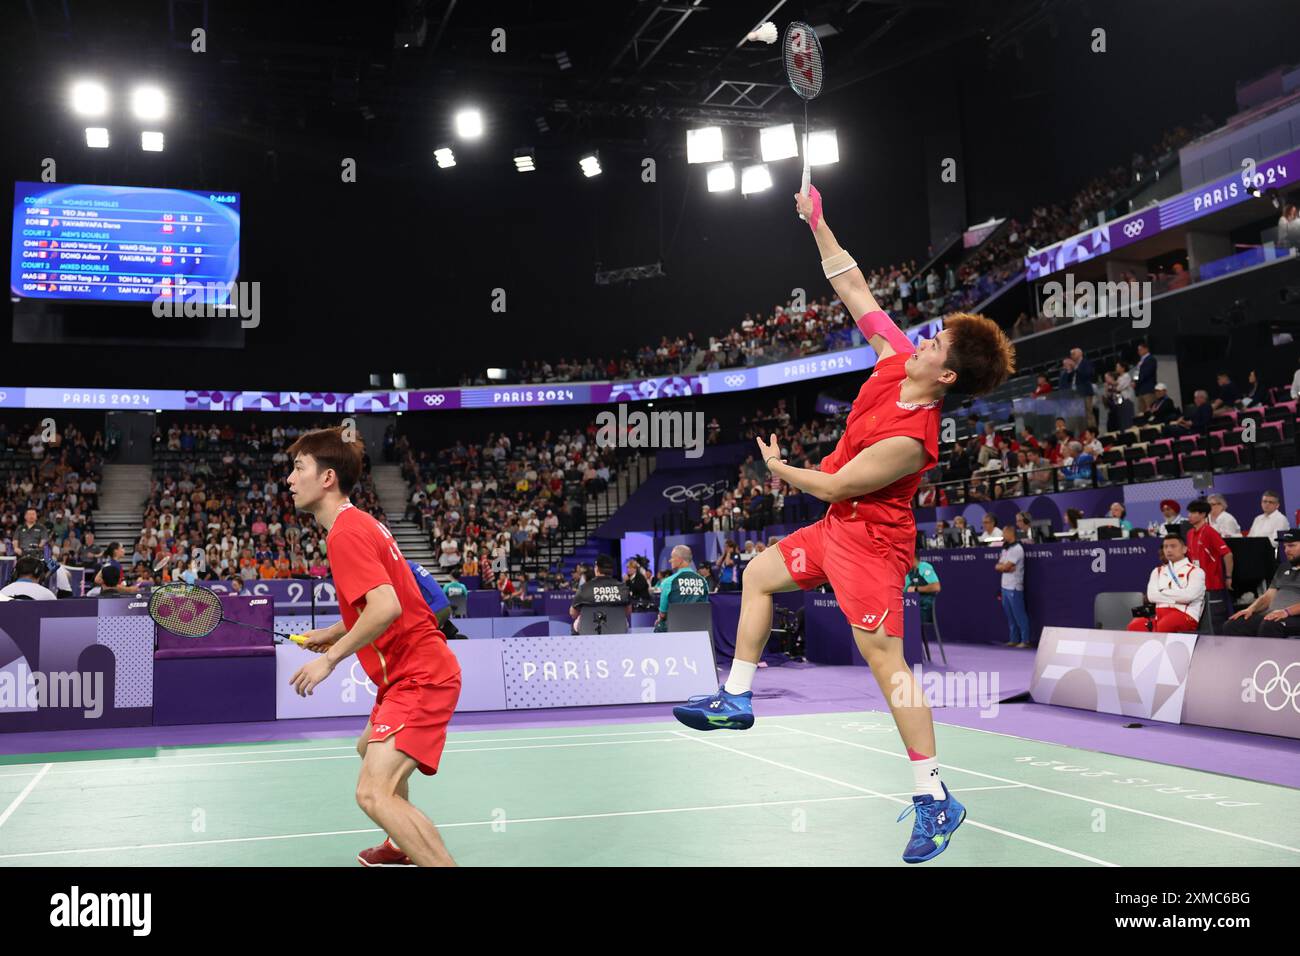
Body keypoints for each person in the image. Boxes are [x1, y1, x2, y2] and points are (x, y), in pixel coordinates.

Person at [674, 185, 1016, 864]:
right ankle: (736, 699)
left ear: (944, 375)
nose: (921, 339)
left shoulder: (914, 440)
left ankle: (933, 797)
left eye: (934, 342)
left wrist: (781, 469)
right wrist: (819, 223)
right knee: (756, 575)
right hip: (837, 528)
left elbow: (833, 483)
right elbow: (856, 289)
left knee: (888, 667)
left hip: (872, 546)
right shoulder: (894, 363)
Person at [285, 426, 462, 868]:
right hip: (406, 673)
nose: (290, 478)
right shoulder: (361, 523)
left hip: (419, 674)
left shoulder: (344, 534)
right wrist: (335, 630)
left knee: (371, 792)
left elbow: (385, 607)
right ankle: (399, 846)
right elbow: (389, 599)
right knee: (368, 748)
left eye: (298, 467)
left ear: (327, 478)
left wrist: (330, 659)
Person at [1223, 529, 1300, 637]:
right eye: (1285, 546)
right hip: (1273, 615)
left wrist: (1286, 612)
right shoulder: (1283, 567)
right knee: (1233, 624)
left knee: (1269, 625)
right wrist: (1250, 609)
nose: (1287, 550)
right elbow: (1268, 597)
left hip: (1293, 616)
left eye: (1291, 546)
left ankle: (1270, 655)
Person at [1129, 535, 1205, 633]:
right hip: (1159, 615)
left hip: (1185, 615)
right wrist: (1178, 595)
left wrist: (1162, 592)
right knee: (1135, 625)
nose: (1168, 550)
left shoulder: (1196, 571)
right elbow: (1151, 597)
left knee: (1164, 625)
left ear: (1184, 549)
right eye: (1165, 547)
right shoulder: (1157, 571)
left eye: (1173, 546)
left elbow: (1189, 596)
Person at [1186, 498, 1233, 630]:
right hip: (1197, 586)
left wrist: (1228, 577)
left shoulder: (1210, 532)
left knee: (1214, 622)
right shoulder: (1190, 534)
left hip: (1212, 585)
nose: (1189, 515)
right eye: (1189, 512)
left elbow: (1228, 554)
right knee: (1201, 623)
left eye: (1192, 512)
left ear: (1202, 514)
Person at [568, 553, 632, 633]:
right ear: (612, 570)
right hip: (617, 632)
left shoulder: (584, 588)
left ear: (597, 569)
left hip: (588, 633)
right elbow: (628, 611)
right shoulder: (623, 588)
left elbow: (573, 613)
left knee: (576, 624)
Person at [653, 544, 710, 632]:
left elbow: (663, 614)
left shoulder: (668, 582)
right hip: (699, 630)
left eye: (672, 557)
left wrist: (659, 619)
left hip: (676, 629)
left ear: (679, 560)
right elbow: (703, 608)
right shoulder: (703, 581)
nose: (669, 560)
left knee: (659, 624)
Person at [995, 525, 1030, 648]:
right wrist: (1005, 567)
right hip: (1004, 586)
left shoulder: (1017, 549)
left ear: (1010, 533)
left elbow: (1005, 567)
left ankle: (1025, 640)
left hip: (1014, 586)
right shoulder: (1005, 549)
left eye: (1004, 533)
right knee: (1010, 615)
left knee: (1019, 614)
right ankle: (1014, 639)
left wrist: (1004, 567)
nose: (1003, 535)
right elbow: (998, 566)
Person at [904, 555, 940, 624]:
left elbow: (936, 587)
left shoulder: (925, 567)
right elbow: (904, 589)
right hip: (913, 606)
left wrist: (916, 589)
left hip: (926, 606)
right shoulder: (909, 572)